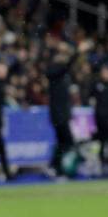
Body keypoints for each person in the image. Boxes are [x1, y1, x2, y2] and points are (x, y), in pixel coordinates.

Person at [45, 38, 90, 178]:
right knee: (67, 142)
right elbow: (68, 64)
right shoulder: (53, 71)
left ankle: (56, 167)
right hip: (58, 114)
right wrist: (77, 51)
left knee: (63, 142)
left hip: (63, 113)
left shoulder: (63, 74)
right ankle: (57, 167)